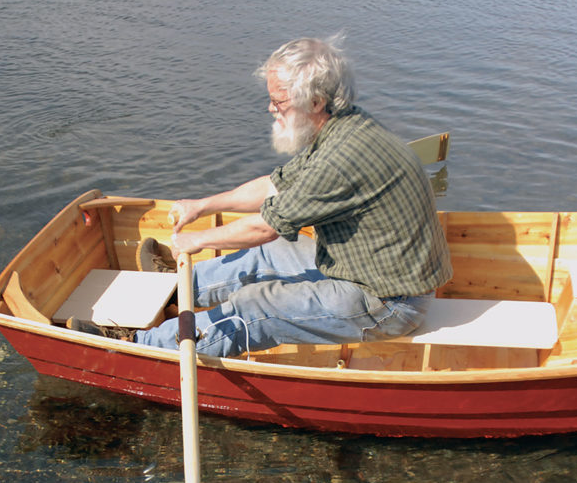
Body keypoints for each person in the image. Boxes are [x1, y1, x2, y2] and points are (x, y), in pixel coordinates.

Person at [75, 36, 452, 358]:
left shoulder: (340, 159)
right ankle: (176, 289)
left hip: (388, 303)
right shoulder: (342, 127)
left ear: (315, 102)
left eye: (279, 101)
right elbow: (274, 187)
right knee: (268, 256)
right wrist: (203, 206)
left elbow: (264, 228)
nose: (271, 108)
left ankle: (136, 346)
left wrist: (198, 240)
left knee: (257, 307)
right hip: (367, 269)